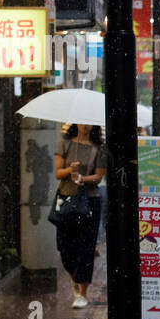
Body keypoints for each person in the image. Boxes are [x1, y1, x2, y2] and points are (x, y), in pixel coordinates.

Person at [54, 124, 107, 308]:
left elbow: (99, 177)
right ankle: (74, 278)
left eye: (88, 121)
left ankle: (83, 293)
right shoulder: (65, 144)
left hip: (90, 201)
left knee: (86, 247)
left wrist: (82, 179)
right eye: (81, 121)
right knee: (65, 246)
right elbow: (57, 173)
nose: (85, 125)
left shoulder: (99, 147)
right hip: (66, 199)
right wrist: (70, 171)